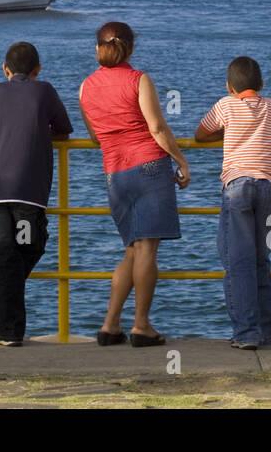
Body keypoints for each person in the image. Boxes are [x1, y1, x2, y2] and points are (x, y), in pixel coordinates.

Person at [79, 21, 190, 347]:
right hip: (149, 168)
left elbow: (95, 137)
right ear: (129, 47)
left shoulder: (85, 87)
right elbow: (156, 127)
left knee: (131, 249)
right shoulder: (138, 80)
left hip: (114, 174)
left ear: (98, 47)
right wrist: (182, 161)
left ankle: (110, 325)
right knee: (146, 250)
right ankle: (141, 325)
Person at [0, 41, 73, 346]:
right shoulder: (44, 91)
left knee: (4, 256)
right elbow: (63, 129)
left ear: (5, 69)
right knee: (26, 250)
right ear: (37, 70)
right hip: (28, 192)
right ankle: (8, 330)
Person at [195, 56, 271, 350]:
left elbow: (200, 135)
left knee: (237, 261)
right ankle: (267, 330)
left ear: (230, 87)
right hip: (268, 188)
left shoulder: (225, 105)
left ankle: (246, 333)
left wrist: (229, 132)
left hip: (238, 187)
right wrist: (270, 134)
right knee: (260, 260)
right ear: (262, 85)